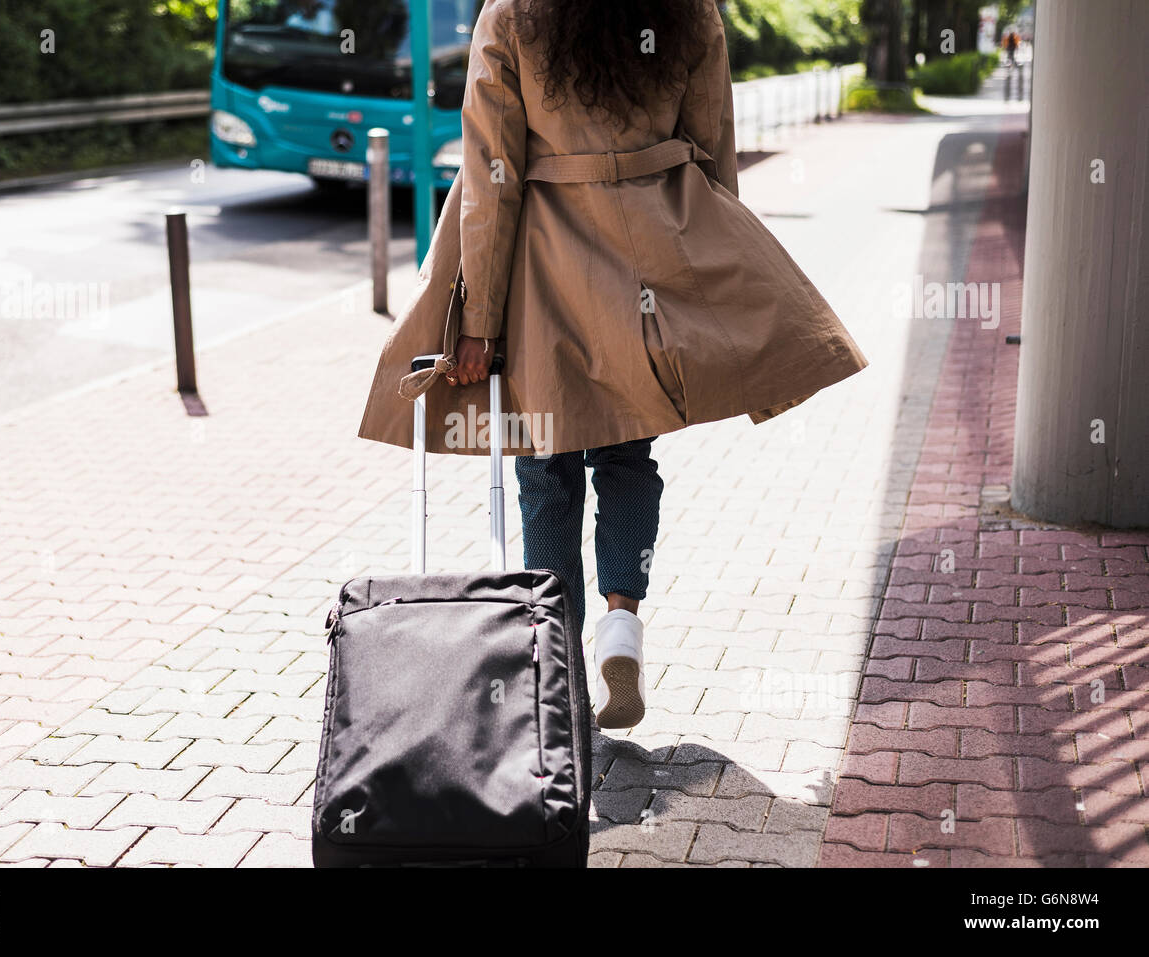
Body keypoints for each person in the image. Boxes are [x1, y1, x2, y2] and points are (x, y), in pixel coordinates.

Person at [357, 0, 867, 730]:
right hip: (649, 264)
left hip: (544, 266)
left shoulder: (510, 16)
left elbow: (491, 178)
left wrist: (477, 319)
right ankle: (621, 622)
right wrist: (708, 280)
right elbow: (711, 156)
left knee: (543, 468)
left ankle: (553, 653)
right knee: (628, 449)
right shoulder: (690, 12)